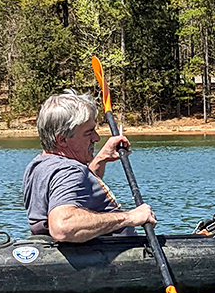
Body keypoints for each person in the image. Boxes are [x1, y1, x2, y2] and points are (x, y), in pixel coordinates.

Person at [23, 90, 156, 242]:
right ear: (62, 140)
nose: (96, 138)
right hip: (107, 254)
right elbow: (62, 227)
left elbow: (79, 191)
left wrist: (101, 159)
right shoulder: (69, 171)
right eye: (88, 132)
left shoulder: (38, 165)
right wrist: (130, 217)